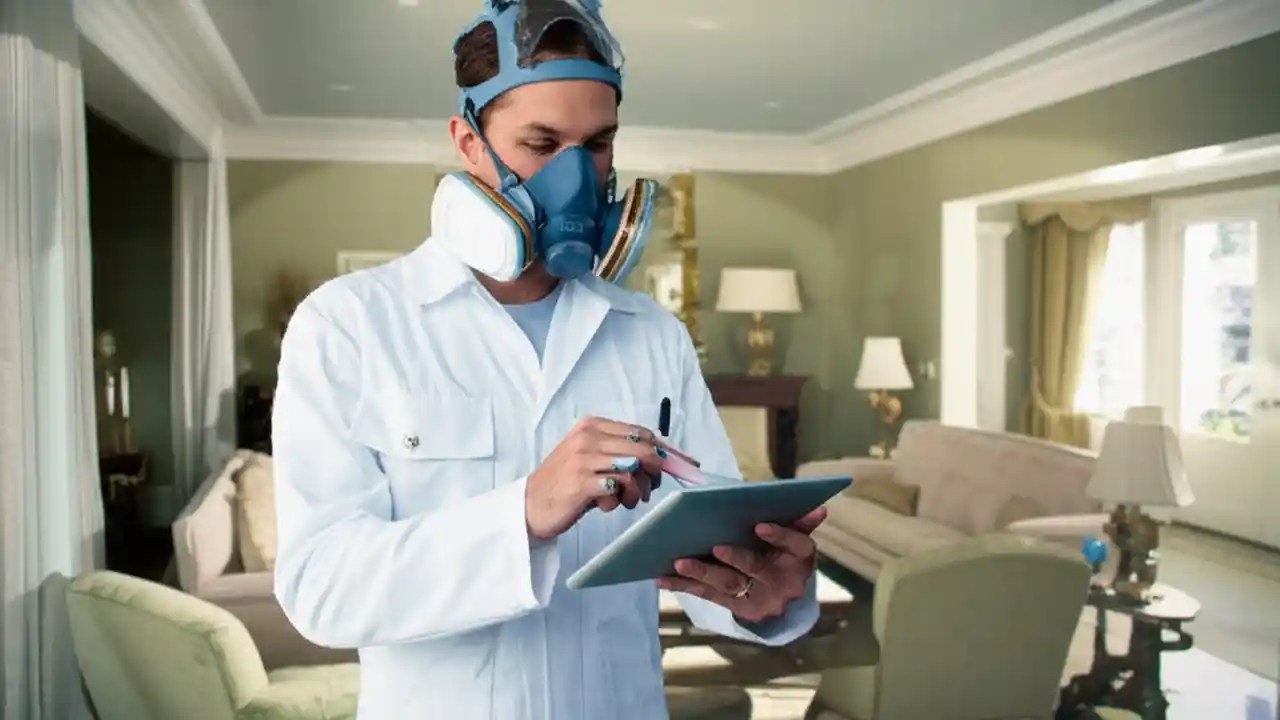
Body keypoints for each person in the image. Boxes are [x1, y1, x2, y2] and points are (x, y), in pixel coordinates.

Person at [271, 2, 825, 717]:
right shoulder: (348, 325)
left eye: (596, 145)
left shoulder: (651, 333)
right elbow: (322, 588)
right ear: (468, 143)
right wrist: (524, 513)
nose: (577, 179)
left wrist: (765, 596)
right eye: (540, 142)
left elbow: (704, 560)